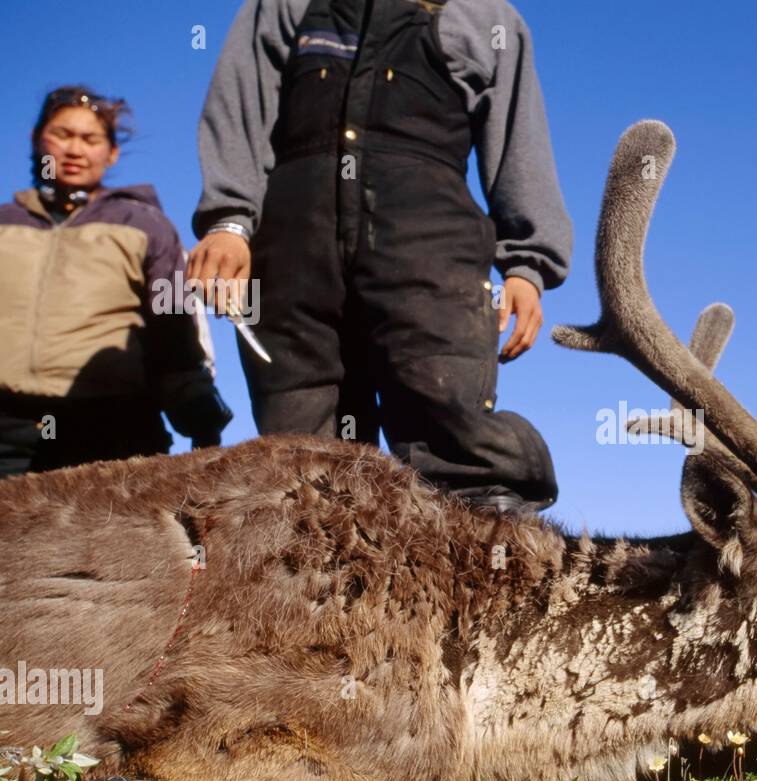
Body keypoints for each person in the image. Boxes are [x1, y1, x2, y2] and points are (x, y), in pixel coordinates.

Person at [188, 0, 573, 513]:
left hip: (430, 257)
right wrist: (229, 222)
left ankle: (486, 573)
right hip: (291, 260)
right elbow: (241, 107)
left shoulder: (486, 17)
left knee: (455, 448)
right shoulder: (285, 6)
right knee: (303, 477)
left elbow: (518, 140)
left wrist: (528, 265)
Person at [0, 86, 232, 478]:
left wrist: (199, 413)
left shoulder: (146, 224)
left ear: (111, 153)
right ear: (37, 139)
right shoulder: (6, 223)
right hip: (7, 432)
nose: (75, 150)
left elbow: (174, 325)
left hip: (114, 431)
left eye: (90, 139)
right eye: (62, 134)